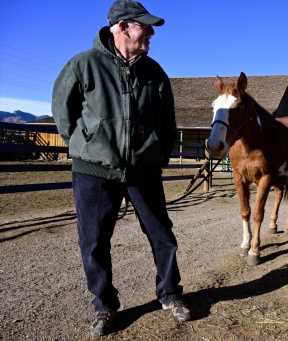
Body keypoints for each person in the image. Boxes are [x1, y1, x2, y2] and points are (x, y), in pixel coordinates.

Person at [52, 0, 190, 336]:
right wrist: (88, 146)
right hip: (94, 171)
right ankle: (104, 305)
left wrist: (157, 155)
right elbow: (63, 113)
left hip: (143, 170)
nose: (151, 33)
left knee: (162, 235)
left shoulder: (155, 73)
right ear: (123, 27)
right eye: (145, 26)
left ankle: (170, 294)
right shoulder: (82, 65)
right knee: (94, 241)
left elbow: (168, 123)